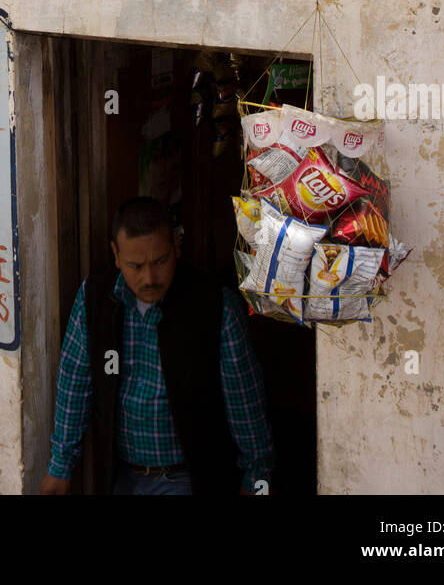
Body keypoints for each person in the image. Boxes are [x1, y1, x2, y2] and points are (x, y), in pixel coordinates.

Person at [39, 196, 274, 496]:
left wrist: (258, 479)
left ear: (176, 245)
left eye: (160, 261)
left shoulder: (214, 306)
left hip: (187, 479)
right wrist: (60, 467)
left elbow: (244, 401)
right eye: (135, 266)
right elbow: (75, 382)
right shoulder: (95, 296)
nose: (149, 278)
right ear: (116, 255)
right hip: (120, 476)